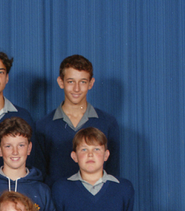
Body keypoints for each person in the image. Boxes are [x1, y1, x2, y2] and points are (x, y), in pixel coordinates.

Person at [33, 54, 120, 187]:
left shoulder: (107, 123)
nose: (77, 88)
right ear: (60, 82)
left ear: (91, 83)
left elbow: (113, 171)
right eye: (71, 81)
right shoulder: (43, 126)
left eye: (83, 82)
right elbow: (39, 174)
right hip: (56, 202)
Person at [0, 117, 55, 211]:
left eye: (21, 145)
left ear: (29, 148)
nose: (15, 152)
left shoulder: (42, 190)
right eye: (8, 146)